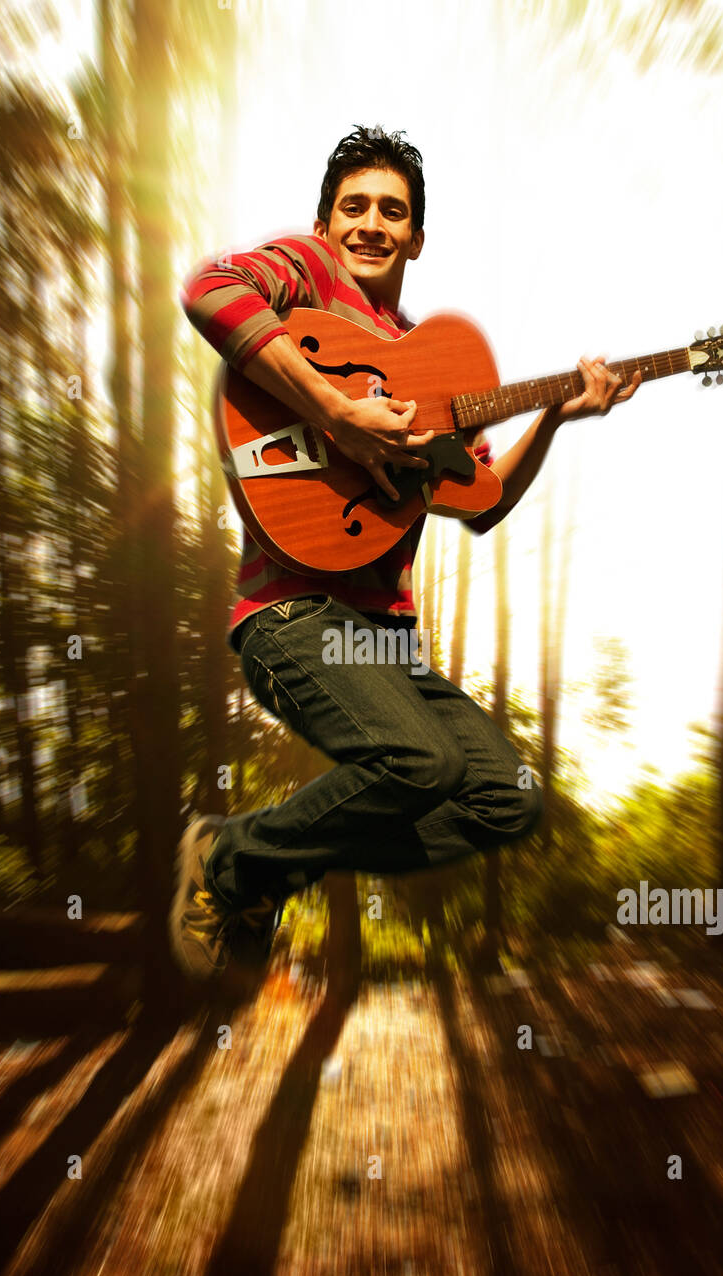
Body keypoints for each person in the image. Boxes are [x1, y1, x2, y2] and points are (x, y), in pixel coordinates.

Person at [170, 125, 640, 982]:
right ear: (326, 223)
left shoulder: (433, 358)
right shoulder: (305, 275)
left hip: (381, 640)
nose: (372, 223)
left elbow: (484, 502)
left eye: (393, 211)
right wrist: (333, 410)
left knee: (505, 797)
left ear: (416, 237)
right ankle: (234, 859)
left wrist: (556, 418)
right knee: (422, 763)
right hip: (289, 613)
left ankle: (265, 863)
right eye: (355, 206)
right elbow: (211, 287)